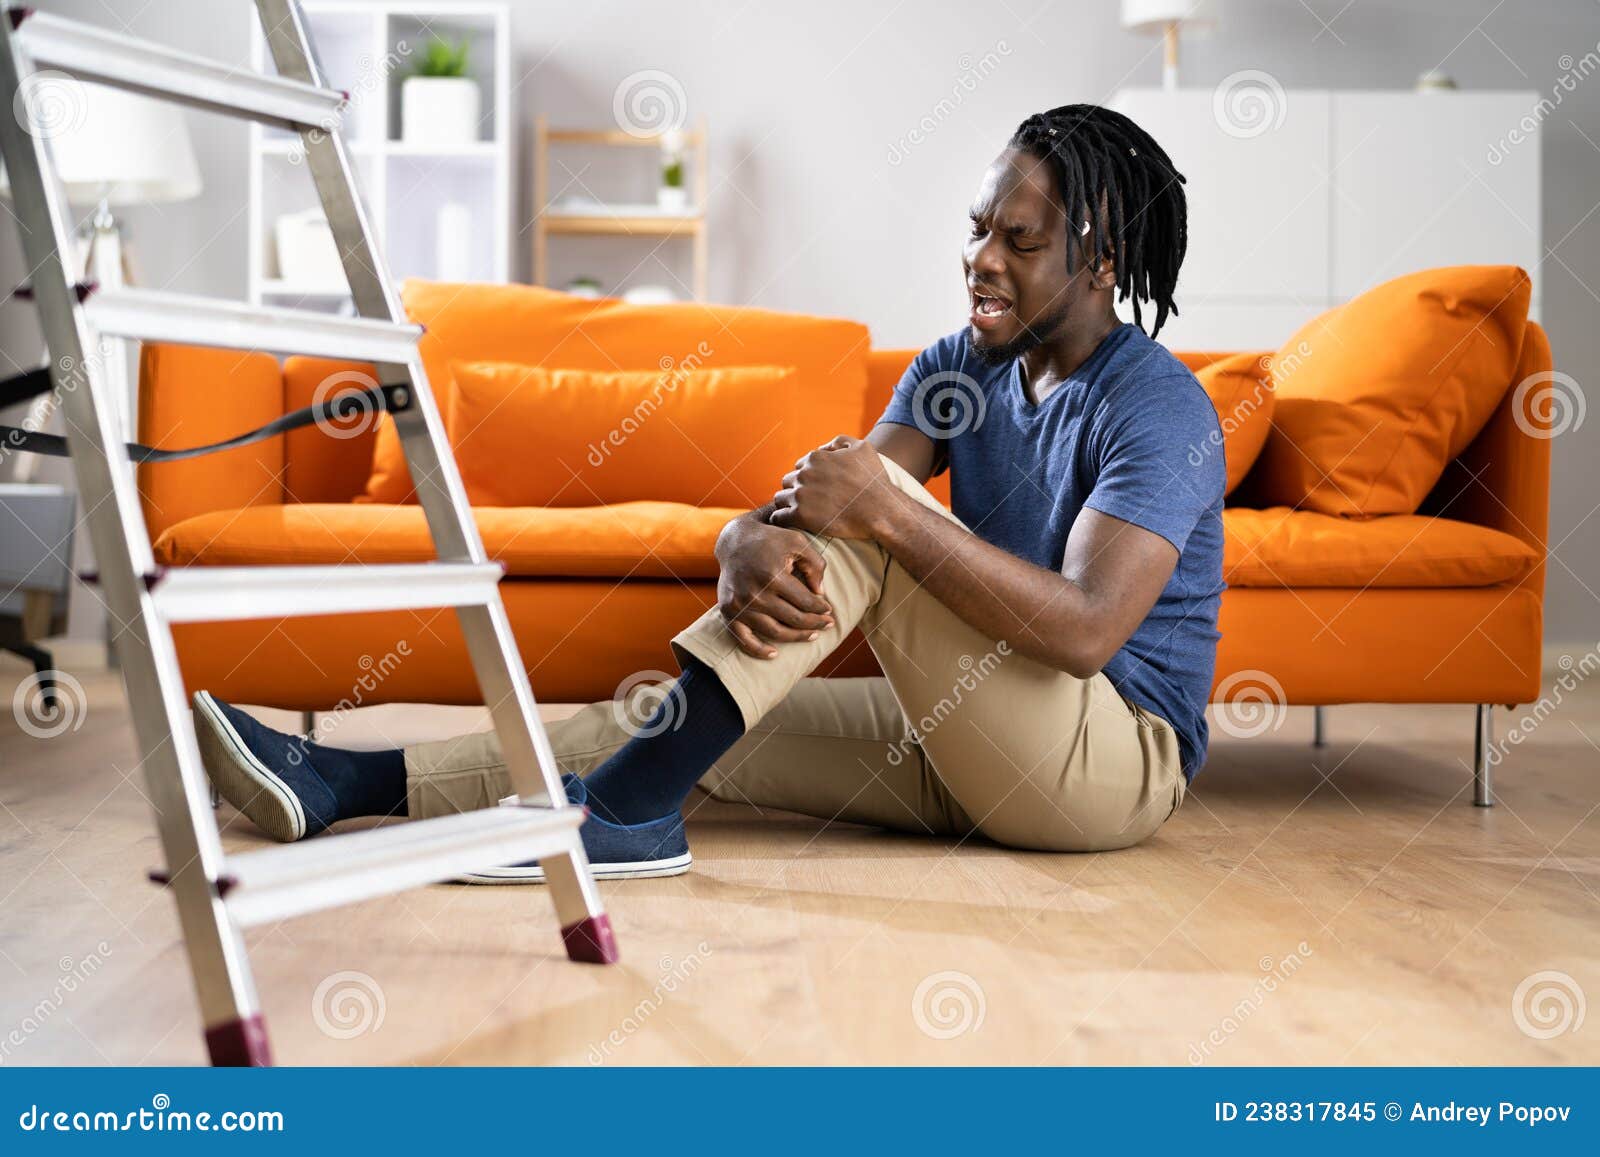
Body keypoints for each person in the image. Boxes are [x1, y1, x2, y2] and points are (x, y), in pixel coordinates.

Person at [193, 102, 1225, 882]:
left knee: (874, 510)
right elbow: (827, 505)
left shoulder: (1156, 407)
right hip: (970, 744)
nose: (978, 260)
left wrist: (884, 510)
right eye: (977, 228)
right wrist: (741, 537)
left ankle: (627, 824)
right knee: (682, 720)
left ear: (1102, 259)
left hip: (1106, 763)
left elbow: (1088, 630)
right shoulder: (964, 365)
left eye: (1020, 242)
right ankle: (348, 781)